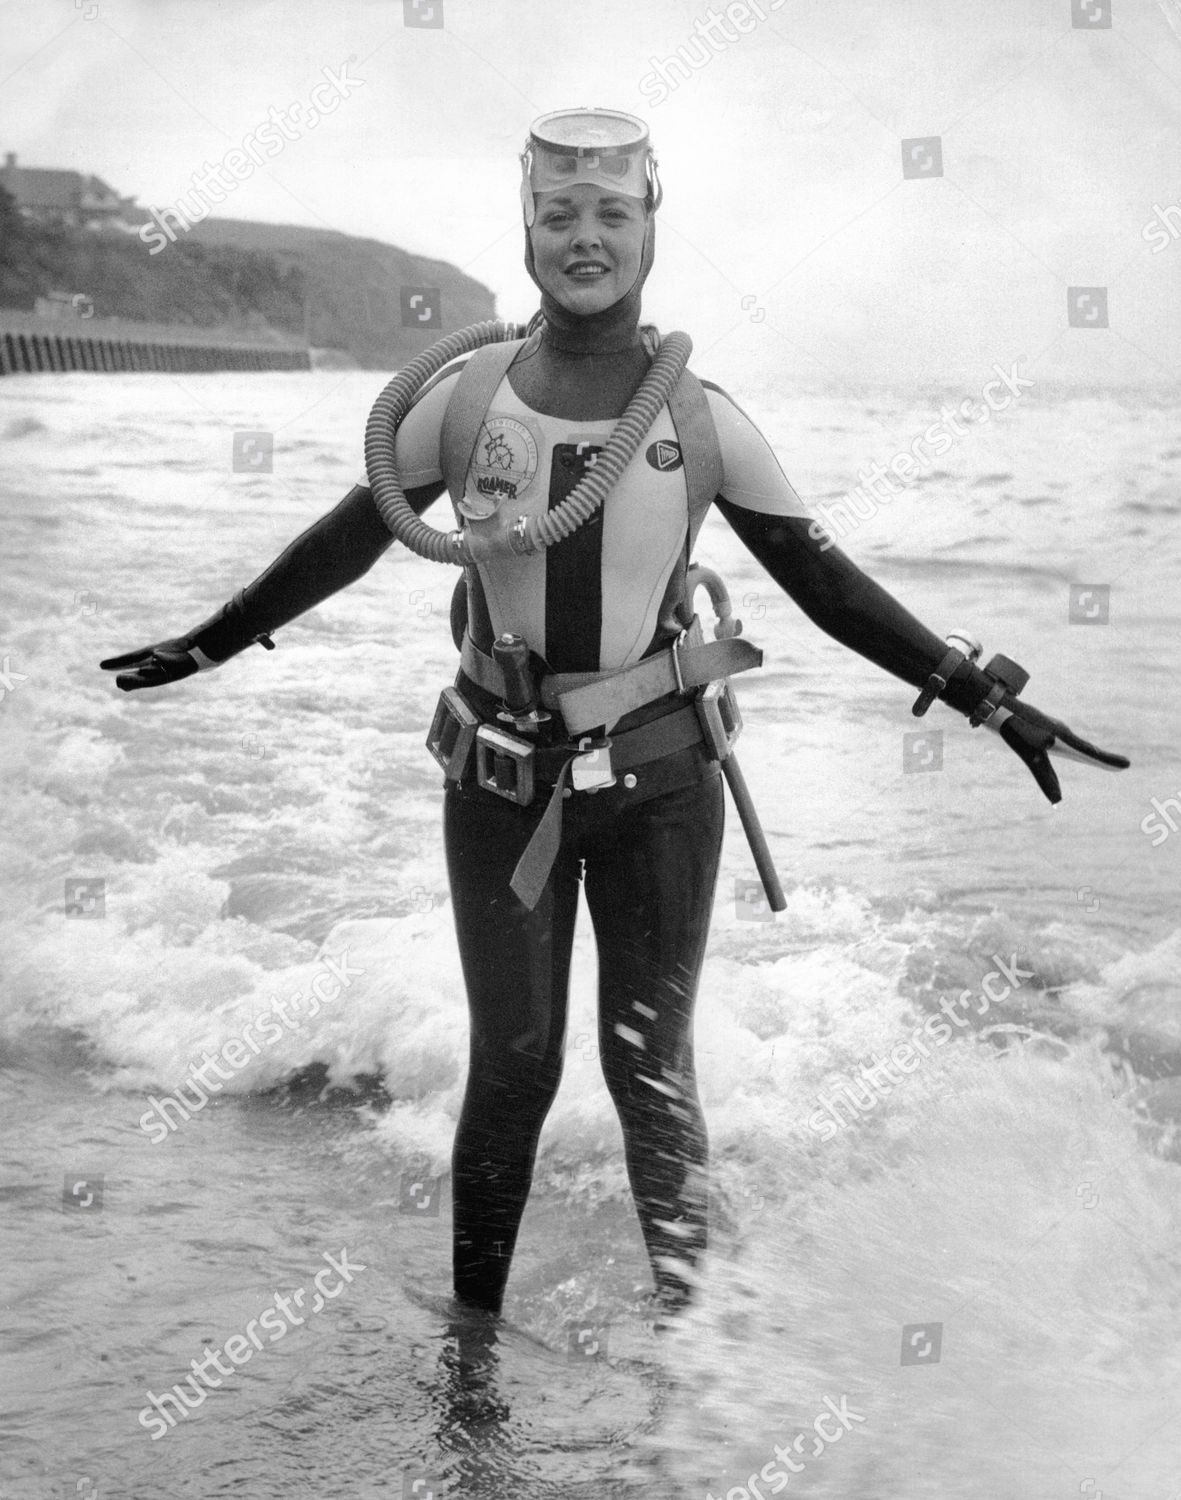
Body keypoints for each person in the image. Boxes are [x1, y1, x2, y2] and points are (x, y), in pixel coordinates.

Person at [101, 107, 1128, 1322]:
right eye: (557, 215)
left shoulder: (698, 419)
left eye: (611, 215)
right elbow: (347, 535)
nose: (583, 239)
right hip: (501, 781)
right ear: (526, 229)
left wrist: (978, 693)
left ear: (650, 224)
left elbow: (827, 585)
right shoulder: (466, 398)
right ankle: (470, 1355)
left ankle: (688, 1373)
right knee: (516, 1064)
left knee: (648, 1070)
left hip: (659, 787)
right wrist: (218, 633)